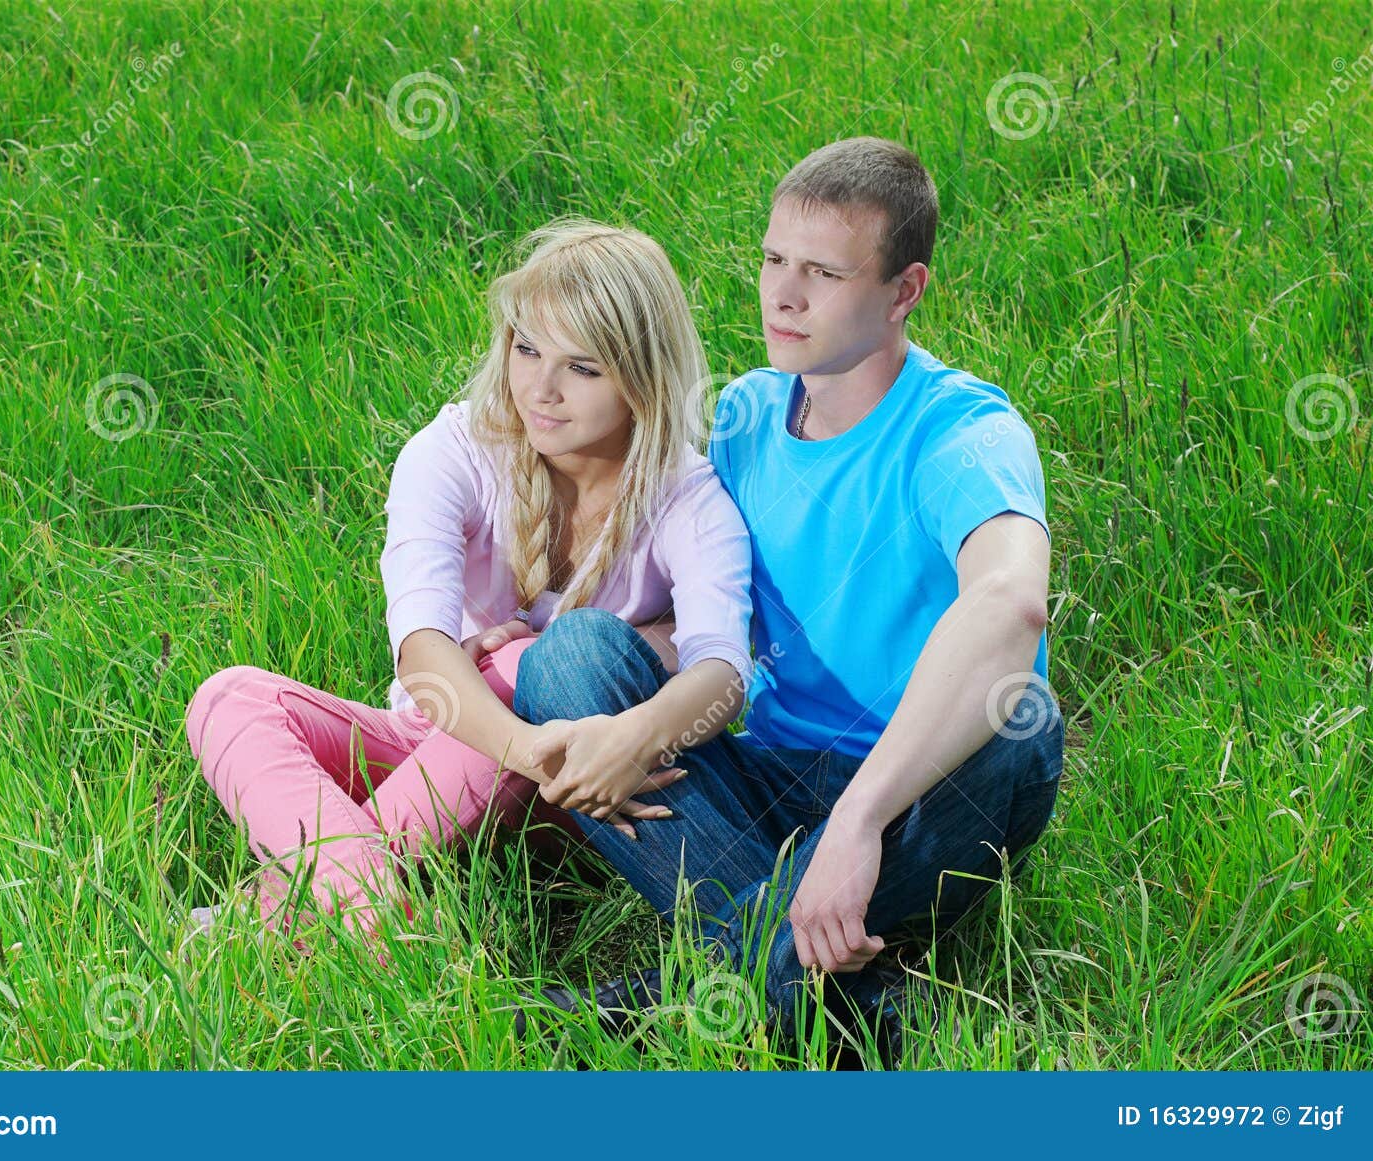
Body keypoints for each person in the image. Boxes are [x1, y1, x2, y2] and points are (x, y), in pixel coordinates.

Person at [509, 137, 1066, 1065]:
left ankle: (681, 992)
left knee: (1022, 718)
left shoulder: (963, 432)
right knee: (570, 658)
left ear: (903, 291)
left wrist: (857, 826)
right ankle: (815, 986)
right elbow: (701, 617)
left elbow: (1010, 606)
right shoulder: (747, 415)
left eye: (823, 271)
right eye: (773, 259)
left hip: (917, 788)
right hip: (768, 772)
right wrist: (585, 686)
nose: (782, 294)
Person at [184, 218, 756, 955]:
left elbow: (724, 670)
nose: (540, 389)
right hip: (446, 742)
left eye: (583, 368)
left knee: (527, 665)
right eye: (526, 347)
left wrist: (627, 731)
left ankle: (273, 918)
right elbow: (421, 649)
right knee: (230, 697)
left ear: (642, 377)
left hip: (586, 797)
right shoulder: (453, 450)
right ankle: (366, 907)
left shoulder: (689, 498)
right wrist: (522, 743)